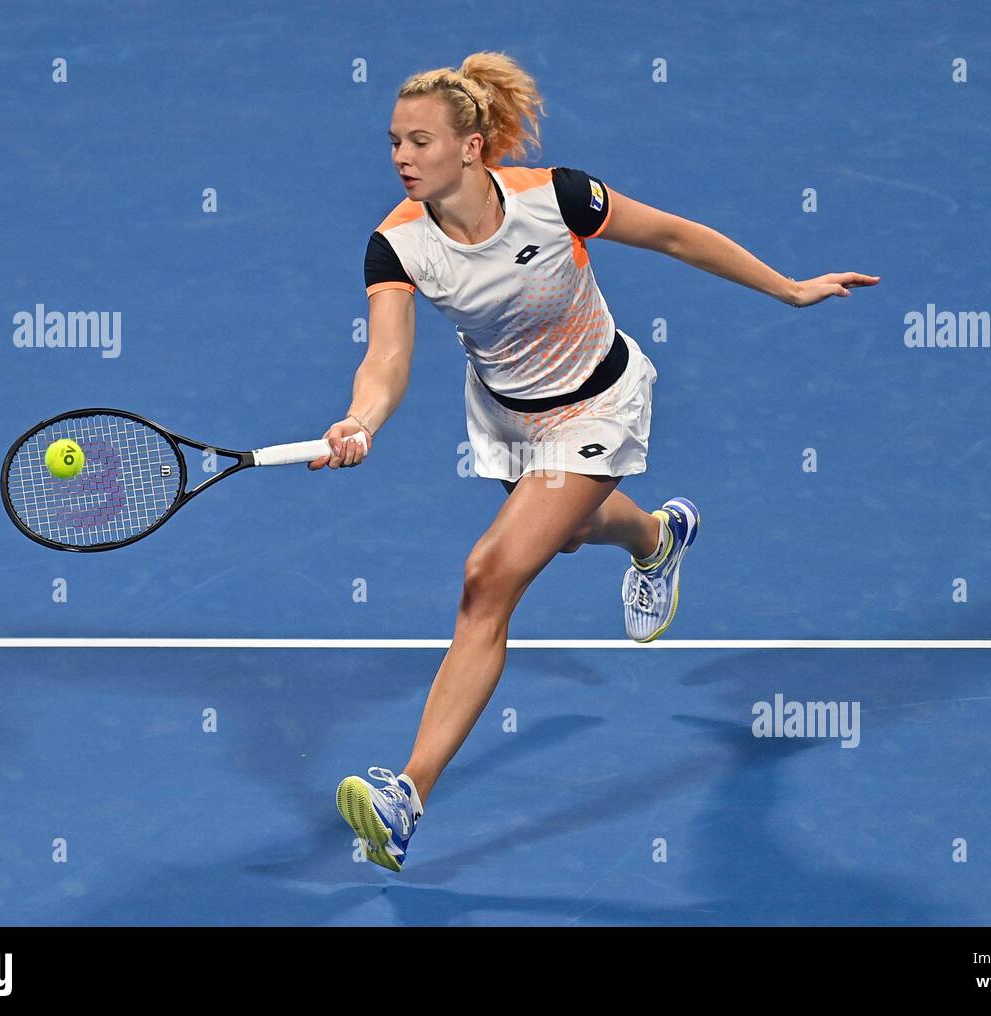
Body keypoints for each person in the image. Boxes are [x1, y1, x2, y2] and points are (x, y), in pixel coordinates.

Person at [310, 51, 879, 872]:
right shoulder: (396, 247)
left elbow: (677, 236)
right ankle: (656, 538)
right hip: (508, 415)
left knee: (488, 577)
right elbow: (387, 358)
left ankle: (405, 797)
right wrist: (361, 418)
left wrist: (789, 289)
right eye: (395, 141)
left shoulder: (558, 197)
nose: (402, 156)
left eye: (421, 141)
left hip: (599, 404)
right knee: (569, 532)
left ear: (471, 147)